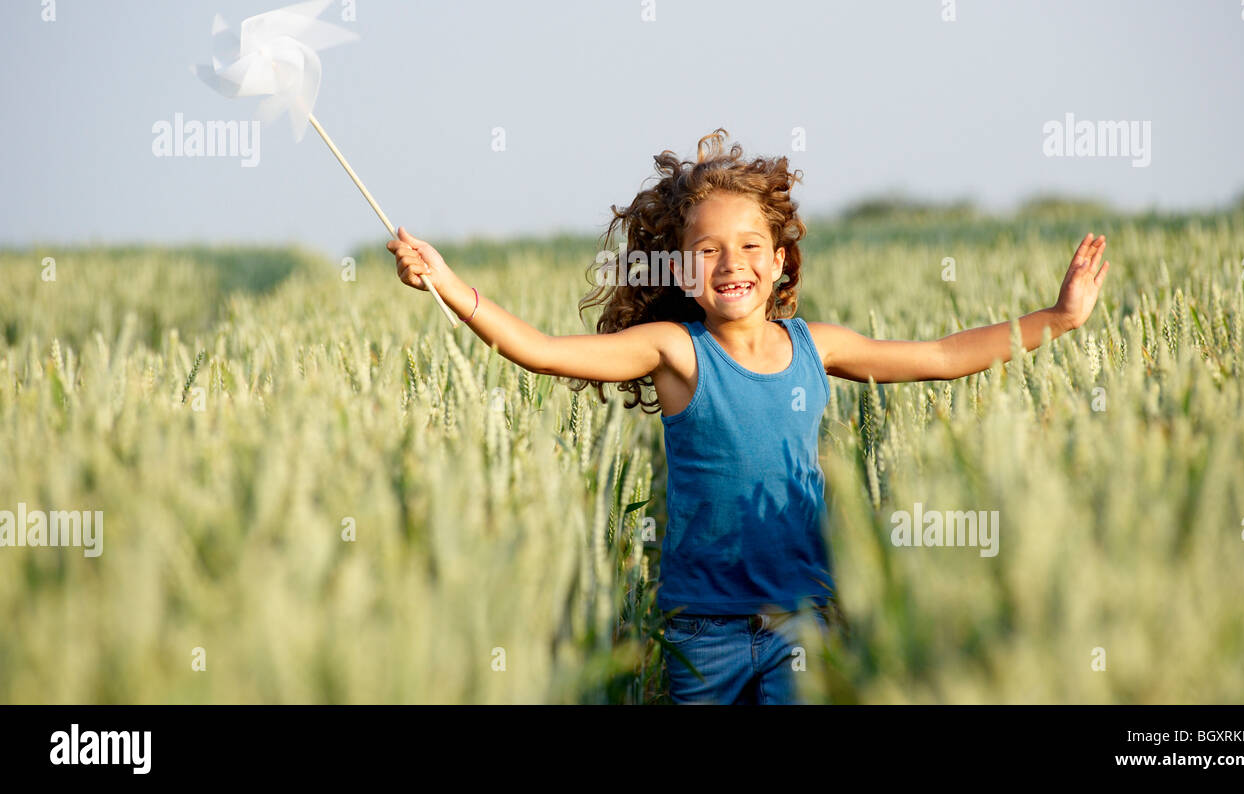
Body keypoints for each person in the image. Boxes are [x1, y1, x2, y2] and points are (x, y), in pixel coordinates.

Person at [388, 128, 1109, 704]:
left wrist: (1058, 318)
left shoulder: (815, 347)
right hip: (705, 635)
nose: (729, 261)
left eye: (749, 246)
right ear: (678, 270)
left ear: (779, 261)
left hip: (803, 621)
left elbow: (941, 355)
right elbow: (543, 352)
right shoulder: (677, 351)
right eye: (706, 250)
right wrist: (446, 282)